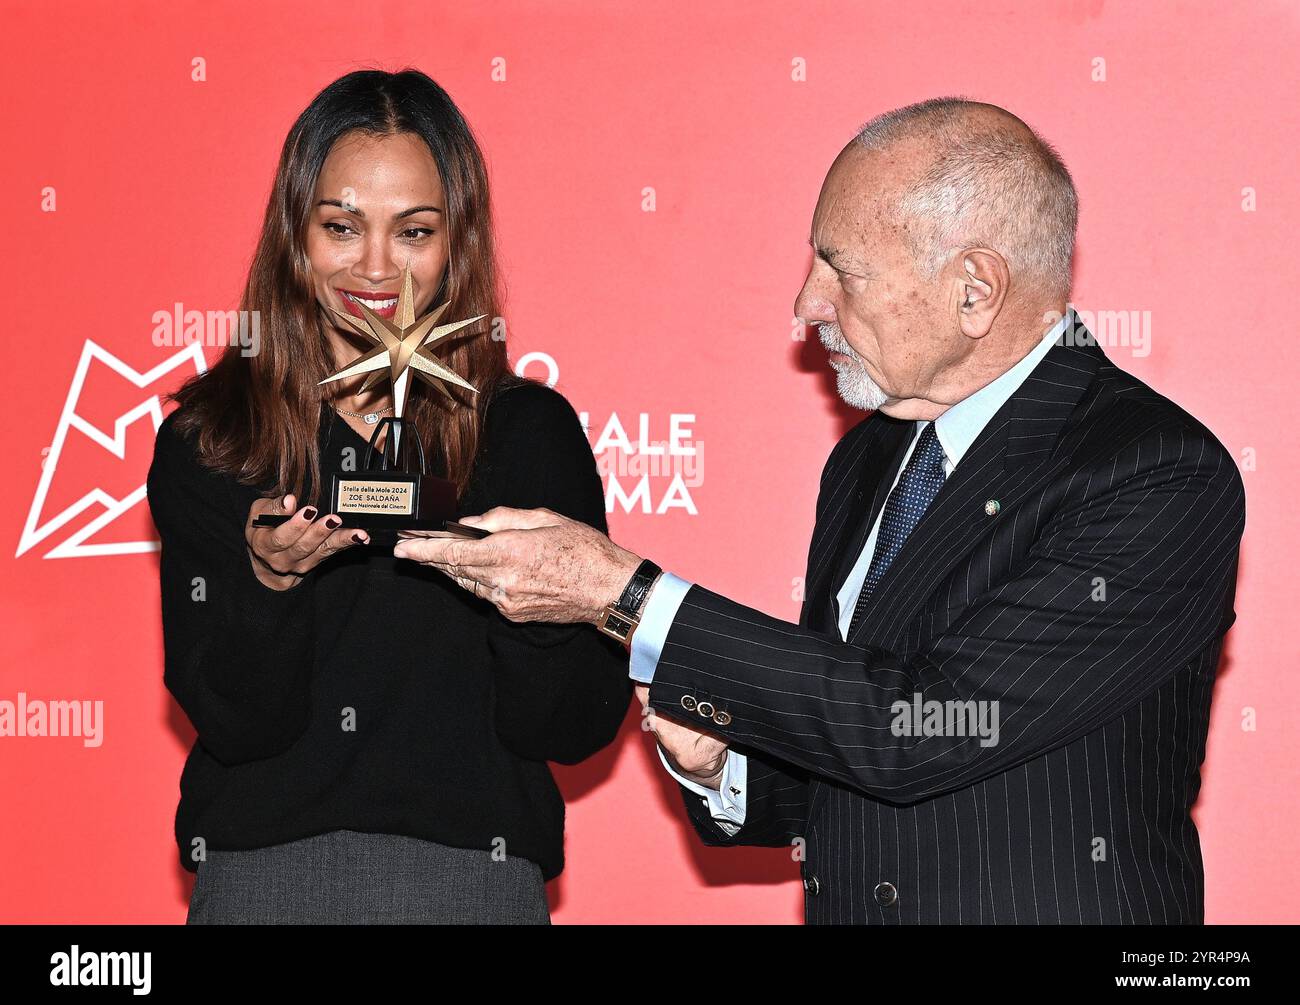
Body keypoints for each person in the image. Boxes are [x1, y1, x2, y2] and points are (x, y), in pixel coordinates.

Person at [394, 98, 1247, 925]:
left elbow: (925, 729)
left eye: (844, 268)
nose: (807, 302)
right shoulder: (870, 456)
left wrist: (629, 595)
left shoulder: (1154, 475)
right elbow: (850, 756)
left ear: (976, 289)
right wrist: (727, 763)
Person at [147, 68, 629, 925]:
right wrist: (270, 588)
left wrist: (539, 602)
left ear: (458, 243)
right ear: (296, 233)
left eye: (414, 231)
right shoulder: (215, 439)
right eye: (341, 226)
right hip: (266, 882)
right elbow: (234, 721)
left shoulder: (524, 435)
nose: (376, 268)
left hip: (473, 884)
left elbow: (575, 724)